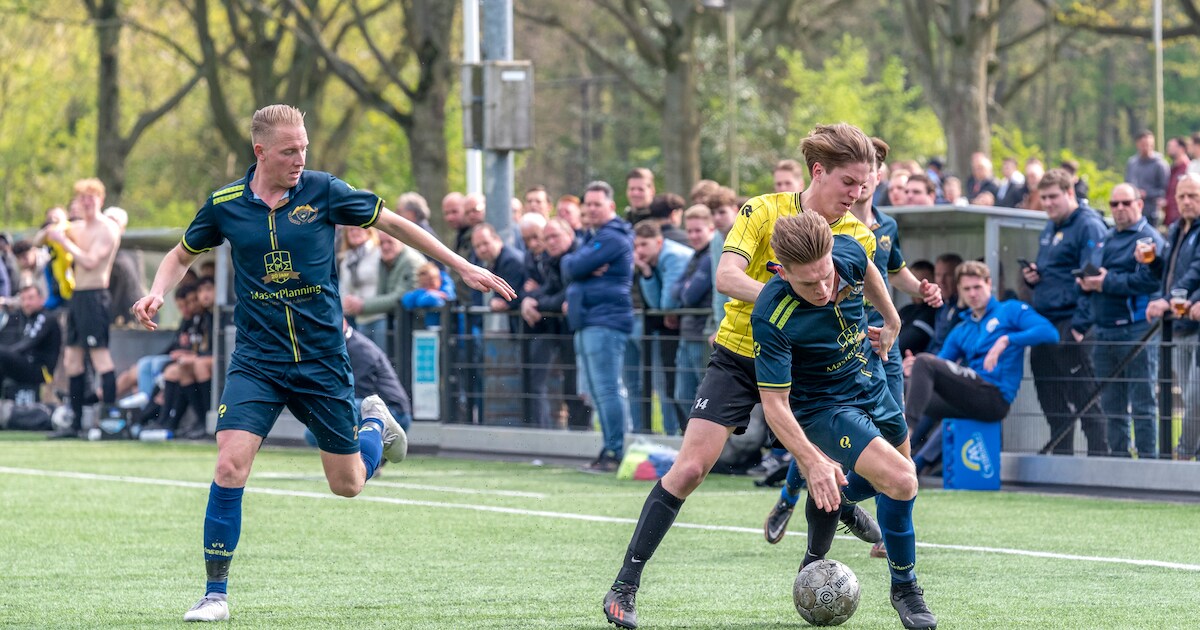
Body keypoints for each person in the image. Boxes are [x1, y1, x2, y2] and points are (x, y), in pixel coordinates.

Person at [130, 104, 514, 623]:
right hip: (257, 361)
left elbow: (396, 224)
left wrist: (462, 265)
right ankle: (214, 593)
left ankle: (374, 420)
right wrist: (156, 293)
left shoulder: (324, 190)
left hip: (320, 360)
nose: (300, 159)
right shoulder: (224, 204)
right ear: (259, 151)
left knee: (348, 483)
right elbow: (180, 255)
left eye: (304, 148)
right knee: (228, 464)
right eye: (289, 150)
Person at [603, 123, 894, 630]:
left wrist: (889, 318)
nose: (859, 194)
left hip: (806, 365)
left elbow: (866, 275)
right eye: (849, 182)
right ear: (818, 172)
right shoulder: (761, 211)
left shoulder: (857, 232)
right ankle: (625, 584)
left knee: (828, 465)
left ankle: (813, 571)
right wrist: (788, 303)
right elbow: (726, 276)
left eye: (865, 184)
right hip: (738, 354)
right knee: (691, 468)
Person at [751, 212, 936, 630]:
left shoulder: (847, 251)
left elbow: (870, 268)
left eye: (827, 276)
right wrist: (813, 462)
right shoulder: (771, 314)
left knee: (903, 483)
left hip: (870, 381)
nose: (824, 289)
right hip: (824, 407)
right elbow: (775, 405)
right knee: (902, 479)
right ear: (781, 271)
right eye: (807, 283)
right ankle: (905, 589)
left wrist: (892, 319)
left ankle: (841, 497)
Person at [765, 137, 942, 551]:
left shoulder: (883, 228)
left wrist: (915, 295)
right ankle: (794, 496)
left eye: (868, 176)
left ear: (877, 177)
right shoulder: (824, 228)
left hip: (877, 341)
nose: (859, 187)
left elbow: (886, 270)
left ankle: (886, 530)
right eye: (852, 179)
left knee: (897, 451)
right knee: (824, 438)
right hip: (827, 349)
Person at [905, 261, 1058, 473]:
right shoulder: (962, 328)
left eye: (977, 287)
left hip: (994, 398)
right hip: (968, 397)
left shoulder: (1009, 310)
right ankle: (907, 461)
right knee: (908, 384)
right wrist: (913, 369)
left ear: (989, 284)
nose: (973, 294)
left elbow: (1050, 332)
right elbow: (938, 366)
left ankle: (903, 438)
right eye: (967, 289)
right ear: (960, 291)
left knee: (924, 363)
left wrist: (1006, 340)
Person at [1022, 168, 1109, 456]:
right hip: (1045, 321)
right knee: (1049, 392)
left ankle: (1100, 460)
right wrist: (1034, 277)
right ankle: (1061, 459)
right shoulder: (1050, 227)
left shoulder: (1089, 225)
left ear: (1069, 193)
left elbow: (1091, 278)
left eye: (1053, 197)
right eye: (1043, 198)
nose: (1047, 204)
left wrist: (1080, 326)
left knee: (1085, 395)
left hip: (1072, 321)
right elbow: (1055, 273)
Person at [1078, 184, 1164, 458]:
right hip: (1104, 329)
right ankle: (1119, 461)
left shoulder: (1148, 238)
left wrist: (1106, 282)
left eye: (1125, 203)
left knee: (1142, 403)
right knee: (1111, 403)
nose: (1119, 209)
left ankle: (1149, 463)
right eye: (1114, 204)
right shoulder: (1106, 236)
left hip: (1136, 328)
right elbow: (1100, 275)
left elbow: (1150, 280)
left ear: (1139, 203)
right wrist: (1089, 281)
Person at [563, 181, 634, 472]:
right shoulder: (595, 238)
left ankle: (615, 451)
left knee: (606, 390)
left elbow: (571, 267)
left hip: (605, 322)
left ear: (611, 206)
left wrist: (579, 265)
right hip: (590, 321)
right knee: (597, 390)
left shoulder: (613, 238)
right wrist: (578, 264)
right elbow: (570, 266)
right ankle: (608, 448)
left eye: (597, 204)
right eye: (587, 204)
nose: (591, 209)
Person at [47, 179, 122, 438]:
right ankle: (76, 423)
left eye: (92, 197)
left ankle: (110, 421)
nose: (87, 202)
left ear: (100, 199)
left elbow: (90, 261)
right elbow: (42, 237)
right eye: (83, 198)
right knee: (72, 361)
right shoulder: (76, 227)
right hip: (77, 297)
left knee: (100, 357)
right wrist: (57, 224)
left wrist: (63, 240)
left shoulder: (107, 229)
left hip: (95, 297)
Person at [1146, 173, 1200, 459]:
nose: (1187, 201)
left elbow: (1195, 273)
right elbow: (1168, 274)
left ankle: (1183, 452)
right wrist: (1153, 262)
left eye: (1193, 196)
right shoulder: (1177, 228)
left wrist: (1177, 300)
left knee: (1195, 398)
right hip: (1178, 327)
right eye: (1182, 196)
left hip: (1194, 325)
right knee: (1189, 395)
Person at [521, 218, 588, 430]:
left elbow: (567, 294)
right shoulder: (552, 260)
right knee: (569, 385)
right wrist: (528, 299)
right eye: (546, 238)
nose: (550, 242)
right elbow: (549, 289)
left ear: (569, 234)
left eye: (555, 236)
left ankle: (581, 435)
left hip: (580, 328)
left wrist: (537, 303)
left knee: (578, 386)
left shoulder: (578, 257)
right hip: (561, 329)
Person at [632, 220, 692, 436]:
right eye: (636, 245)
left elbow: (666, 304)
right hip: (674, 327)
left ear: (659, 242)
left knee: (683, 386)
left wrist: (668, 310)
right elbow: (659, 305)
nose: (639, 251)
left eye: (644, 245)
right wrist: (647, 272)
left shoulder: (672, 256)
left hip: (689, 327)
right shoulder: (652, 260)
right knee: (672, 384)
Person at [0, 284, 61, 399]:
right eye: (23, 299)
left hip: (42, 371)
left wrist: (6, 354)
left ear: (41, 299)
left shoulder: (45, 317)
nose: (27, 303)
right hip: (27, 364)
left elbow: (27, 344)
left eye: (31, 298)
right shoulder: (27, 317)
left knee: (2, 354)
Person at [1125, 130, 1170, 226]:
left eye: (1149, 145)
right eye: (1143, 144)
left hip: (1151, 211)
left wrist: (1147, 193)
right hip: (1132, 209)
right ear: (1137, 144)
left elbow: (1166, 190)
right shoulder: (1132, 163)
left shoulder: (1160, 164)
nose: (1146, 147)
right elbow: (1127, 183)